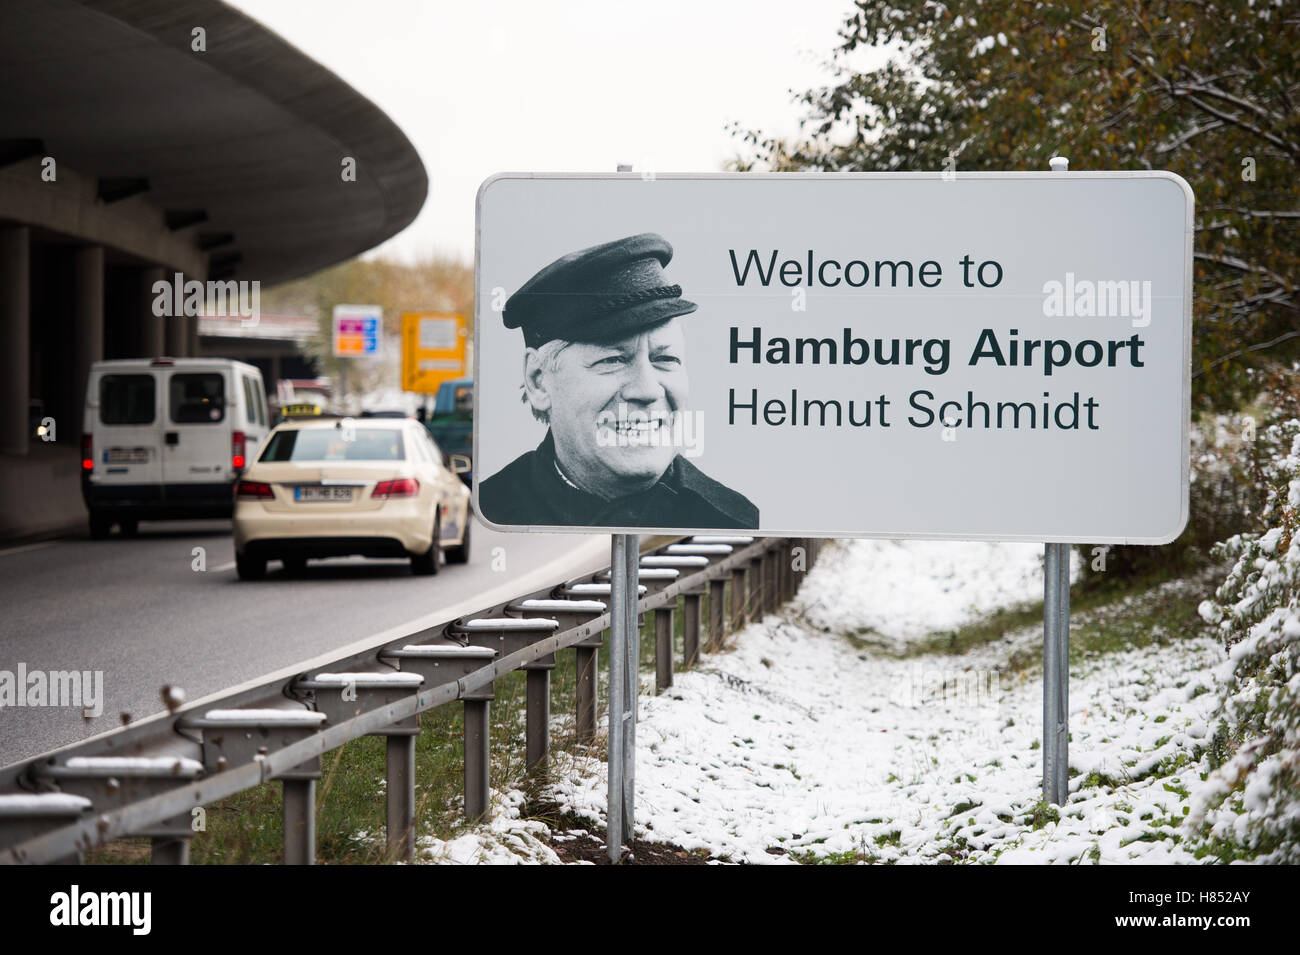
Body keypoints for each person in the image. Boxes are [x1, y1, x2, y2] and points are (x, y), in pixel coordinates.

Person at [478, 233, 759, 529]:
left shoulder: (736, 523)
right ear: (538, 381)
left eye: (665, 360)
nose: (647, 389)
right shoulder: (489, 519)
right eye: (612, 360)